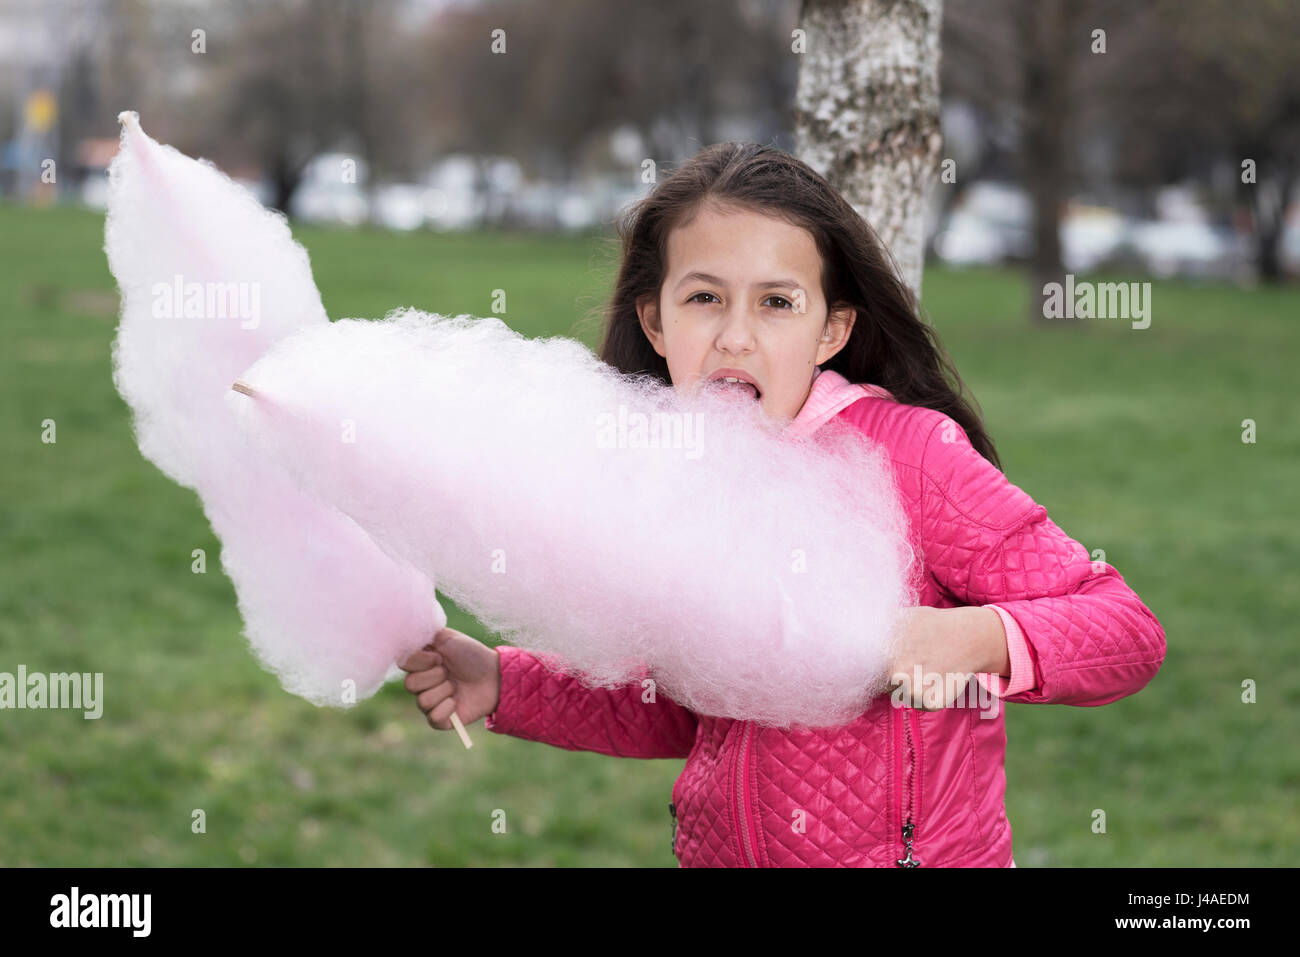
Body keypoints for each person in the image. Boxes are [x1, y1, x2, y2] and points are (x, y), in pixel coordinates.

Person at [398, 142, 1167, 867]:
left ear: (831, 328)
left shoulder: (910, 458)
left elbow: (1127, 631)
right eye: (704, 298)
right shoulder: (667, 486)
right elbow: (682, 709)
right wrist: (502, 682)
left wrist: (979, 637)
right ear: (655, 321)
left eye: (776, 302)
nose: (736, 336)